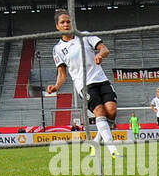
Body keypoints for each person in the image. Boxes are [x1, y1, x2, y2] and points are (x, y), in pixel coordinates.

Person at [46, 10, 118, 157]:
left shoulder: (85, 36)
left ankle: (96, 143)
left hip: (101, 78)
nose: (66, 24)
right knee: (99, 111)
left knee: (111, 111)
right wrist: (56, 87)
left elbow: (104, 49)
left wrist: (100, 54)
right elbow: (62, 73)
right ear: (57, 26)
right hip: (84, 84)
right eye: (62, 22)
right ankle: (113, 150)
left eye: (68, 21)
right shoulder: (57, 49)